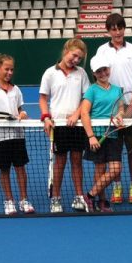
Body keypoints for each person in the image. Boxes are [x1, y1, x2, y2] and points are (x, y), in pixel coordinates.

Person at [93, 13, 132, 205]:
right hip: (111, 110)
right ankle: (116, 187)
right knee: (113, 151)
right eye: (113, 28)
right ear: (108, 31)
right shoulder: (101, 51)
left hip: (131, 108)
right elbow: (99, 76)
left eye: (120, 27)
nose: (117, 32)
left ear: (124, 28)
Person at [0, 53, 35, 215]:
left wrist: (22, 114)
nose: (10, 72)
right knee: (4, 170)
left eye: (12, 70)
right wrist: (3, 117)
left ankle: (24, 200)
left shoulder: (16, 89)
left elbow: (19, 109)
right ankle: (9, 201)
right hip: (0, 137)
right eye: (6, 69)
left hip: (18, 136)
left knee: (20, 168)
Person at [39, 38, 90, 213]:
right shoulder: (50, 73)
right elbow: (43, 98)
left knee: (77, 162)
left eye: (79, 58)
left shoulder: (81, 73)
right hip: (58, 125)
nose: (76, 60)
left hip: (76, 126)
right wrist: (46, 117)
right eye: (74, 55)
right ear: (66, 50)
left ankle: (79, 197)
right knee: (59, 163)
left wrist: (77, 114)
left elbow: (86, 98)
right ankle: (56, 199)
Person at [79, 55, 125, 213]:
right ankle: (102, 201)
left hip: (113, 134)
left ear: (109, 69)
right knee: (99, 170)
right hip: (97, 136)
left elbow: (121, 108)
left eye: (105, 69)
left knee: (115, 169)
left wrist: (120, 115)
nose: (103, 73)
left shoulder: (118, 90)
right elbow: (84, 113)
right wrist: (91, 136)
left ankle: (89, 196)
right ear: (94, 73)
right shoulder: (91, 90)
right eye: (99, 71)